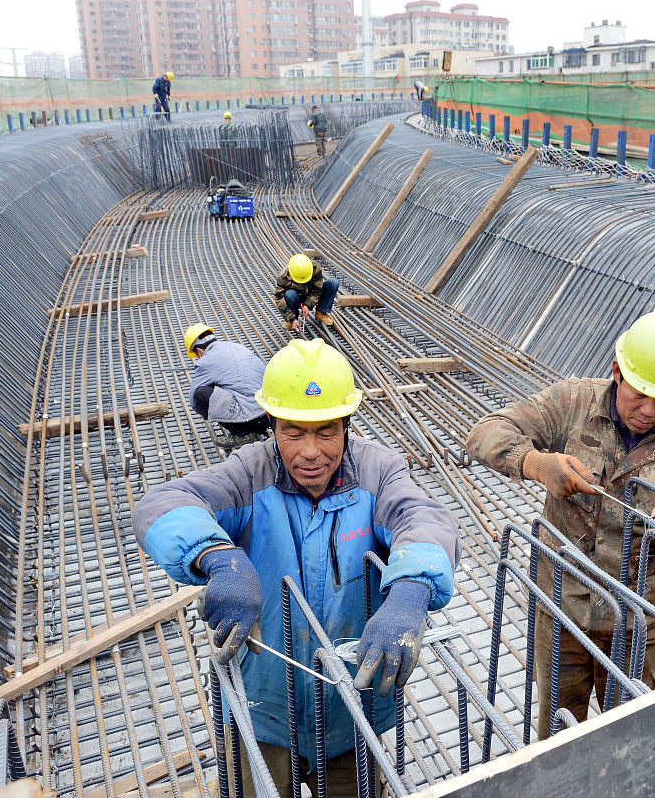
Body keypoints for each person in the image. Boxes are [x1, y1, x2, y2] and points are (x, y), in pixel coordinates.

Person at [134, 338, 461, 797]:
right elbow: (163, 503)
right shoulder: (249, 473)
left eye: (326, 431)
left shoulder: (378, 472)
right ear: (271, 425)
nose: (310, 451)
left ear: (347, 424)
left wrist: (412, 588)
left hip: (351, 706)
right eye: (293, 431)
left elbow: (421, 517)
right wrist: (219, 557)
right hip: (263, 705)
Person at [465, 308, 655, 737]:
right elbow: (483, 433)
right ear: (618, 371)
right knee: (559, 736)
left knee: (635, 735)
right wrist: (535, 462)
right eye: (640, 393)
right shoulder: (572, 402)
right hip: (562, 610)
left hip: (638, 620)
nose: (649, 410)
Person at [183, 324, 268, 448]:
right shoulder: (237, 346)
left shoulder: (206, 361)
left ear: (199, 351)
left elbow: (194, 401)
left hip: (252, 420)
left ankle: (241, 433)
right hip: (270, 413)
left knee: (200, 394)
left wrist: (206, 412)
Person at [274, 253, 339, 330]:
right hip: (296, 298)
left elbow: (317, 290)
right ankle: (293, 321)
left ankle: (321, 312)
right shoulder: (283, 277)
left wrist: (308, 305)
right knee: (289, 294)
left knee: (333, 283)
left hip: (311, 295)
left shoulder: (315, 269)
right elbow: (279, 299)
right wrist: (291, 318)